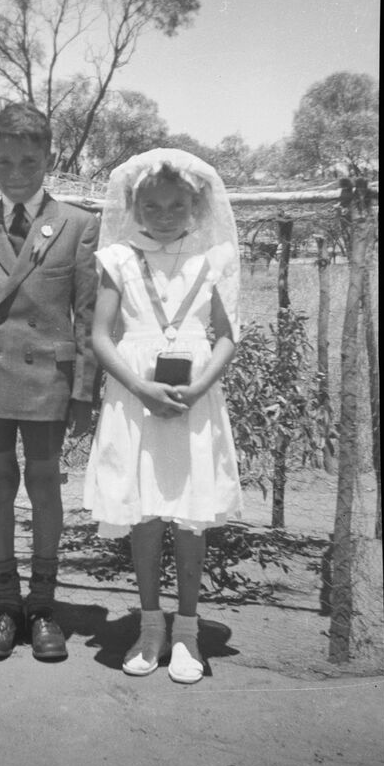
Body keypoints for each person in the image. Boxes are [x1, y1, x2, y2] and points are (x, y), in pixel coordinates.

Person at [83, 148, 243, 683]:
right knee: (145, 511)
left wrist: (198, 386)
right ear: (134, 206)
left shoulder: (212, 258)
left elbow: (225, 336)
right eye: (153, 204)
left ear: (195, 206)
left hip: (194, 399)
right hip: (136, 398)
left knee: (189, 513)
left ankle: (188, 633)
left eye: (177, 204)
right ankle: (151, 625)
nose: (165, 213)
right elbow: (101, 336)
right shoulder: (119, 260)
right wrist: (138, 386)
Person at [0, 102, 98, 661]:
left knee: (44, 486)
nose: (16, 172)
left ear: (49, 159)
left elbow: (86, 317)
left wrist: (84, 390)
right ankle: (5, 605)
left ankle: (42, 606)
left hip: (48, 383)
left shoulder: (78, 225)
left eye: (28, 161)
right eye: (4, 161)